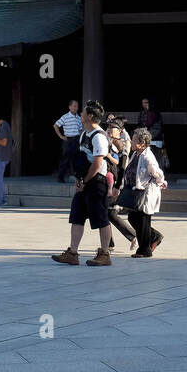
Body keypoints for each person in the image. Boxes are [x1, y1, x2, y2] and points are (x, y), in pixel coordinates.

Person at [51, 100, 114, 266]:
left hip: (96, 182)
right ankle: (72, 252)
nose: (81, 114)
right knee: (77, 216)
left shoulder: (99, 136)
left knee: (101, 218)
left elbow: (97, 163)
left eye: (84, 112)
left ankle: (105, 254)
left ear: (90, 116)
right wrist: (78, 180)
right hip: (84, 182)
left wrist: (85, 181)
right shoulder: (84, 134)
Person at [123, 127, 167, 257]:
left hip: (146, 193)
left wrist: (159, 183)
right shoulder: (136, 154)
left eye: (134, 140)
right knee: (134, 218)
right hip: (135, 192)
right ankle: (155, 236)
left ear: (142, 143)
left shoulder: (147, 157)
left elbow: (158, 174)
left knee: (143, 220)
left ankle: (144, 250)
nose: (131, 142)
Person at [103, 121, 138, 253]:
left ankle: (134, 236)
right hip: (106, 182)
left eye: (113, 128)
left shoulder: (122, 145)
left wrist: (117, 186)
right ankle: (108, 244)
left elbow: (122, 168)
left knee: (110, 213)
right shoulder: (105, 141)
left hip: (116, 182)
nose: (110, 130)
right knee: (105, 213)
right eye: (109, 128)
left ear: (120, 131)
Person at [53, 100, 82, 182]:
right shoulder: (65, 116)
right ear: (70, 107)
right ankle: (60, 177)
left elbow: (80, 130)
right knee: (65, 159)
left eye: (77, 106)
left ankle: (76, 177)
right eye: (74, 106)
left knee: (76, 159)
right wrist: (61, 136)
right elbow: (55, 125)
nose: (76, 108)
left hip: (76, 140)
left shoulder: (79, 118)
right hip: (68, 140)